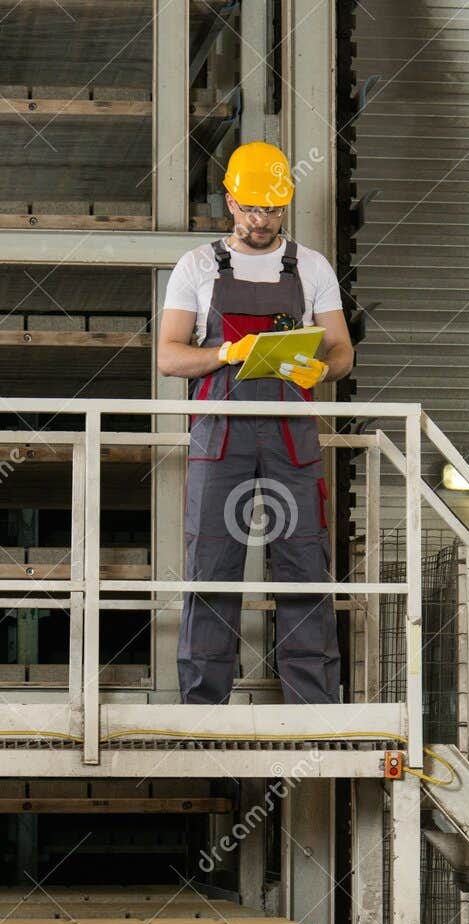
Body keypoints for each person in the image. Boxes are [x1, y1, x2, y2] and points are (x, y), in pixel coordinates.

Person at [157, 141, 355, 705]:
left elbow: (342, 353)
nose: (262, 221)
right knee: (212, 565)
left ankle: (314, 707)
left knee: (303, 563)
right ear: (230, 202)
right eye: (251, 209)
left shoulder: (311, 266)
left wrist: (323, 366)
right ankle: (203, 709)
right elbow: (169, 357)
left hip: (292, 435)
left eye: (272, 210)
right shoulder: (195, 266)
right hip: (219, 436)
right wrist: (225, 354)